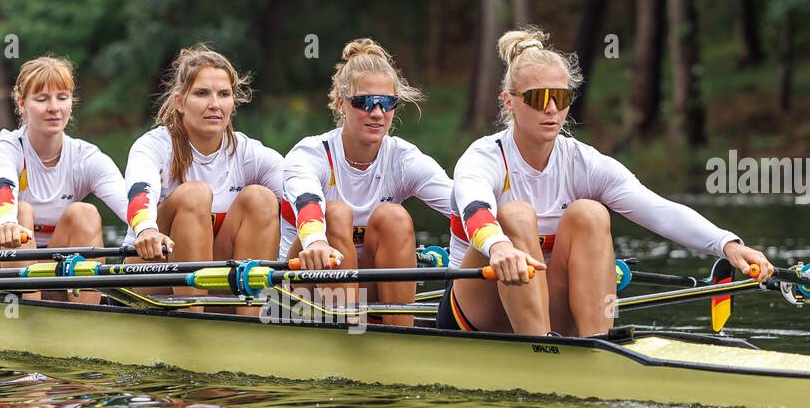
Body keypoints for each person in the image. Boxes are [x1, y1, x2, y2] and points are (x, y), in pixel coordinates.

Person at [442, 26, 775, 336]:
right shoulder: (485, 156)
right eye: (539, 98)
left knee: (590, 213)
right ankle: (540, 351)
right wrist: (498, 247)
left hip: (546, 303)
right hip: (475, 309)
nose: (553, 110)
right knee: (515, 215)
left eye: (562, 98)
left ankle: (596, 345)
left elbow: (657, 209)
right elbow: (474, 207)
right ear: (509, 101)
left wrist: (727, 244)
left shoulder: (582, 161)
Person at [0, 54, 171, 302]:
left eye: (62, 98)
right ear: (21, 104)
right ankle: (30, 314)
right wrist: (6, 221)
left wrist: (146, 229)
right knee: (21, 212)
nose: (54, 107)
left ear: (71, 103)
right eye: (42, 99)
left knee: (85, 213)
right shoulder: (4, 147)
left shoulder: (85, 157)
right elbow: (3, 185)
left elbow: (129, 203)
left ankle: (87, 317)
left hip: (49, 272)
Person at [282, 39, 454, 327]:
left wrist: (506, 239)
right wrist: (315, 241)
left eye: (387, 103)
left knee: (394, 216)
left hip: (367, 288)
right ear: (341, 103)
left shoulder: (403, 158)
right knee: (335, 212)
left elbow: (461, 203)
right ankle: (350, 332)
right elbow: (307, 200)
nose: (377, 112)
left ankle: (398, 338)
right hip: (306, 288)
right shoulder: (311, 153)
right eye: (364, 102)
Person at [124, 45, 283, 312]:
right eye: (202, 93)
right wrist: (147, 230)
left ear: (233, 102)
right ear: (179, 102)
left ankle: (251, 322)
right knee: (195, 194)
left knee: (261, 199)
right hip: (152, 273)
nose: (214, 104)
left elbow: (300, 199)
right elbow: (140, 191)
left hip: (216, 275)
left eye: (224, 94)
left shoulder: (250, 153)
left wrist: (318, 242)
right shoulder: (153, 146)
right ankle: (192, 317)